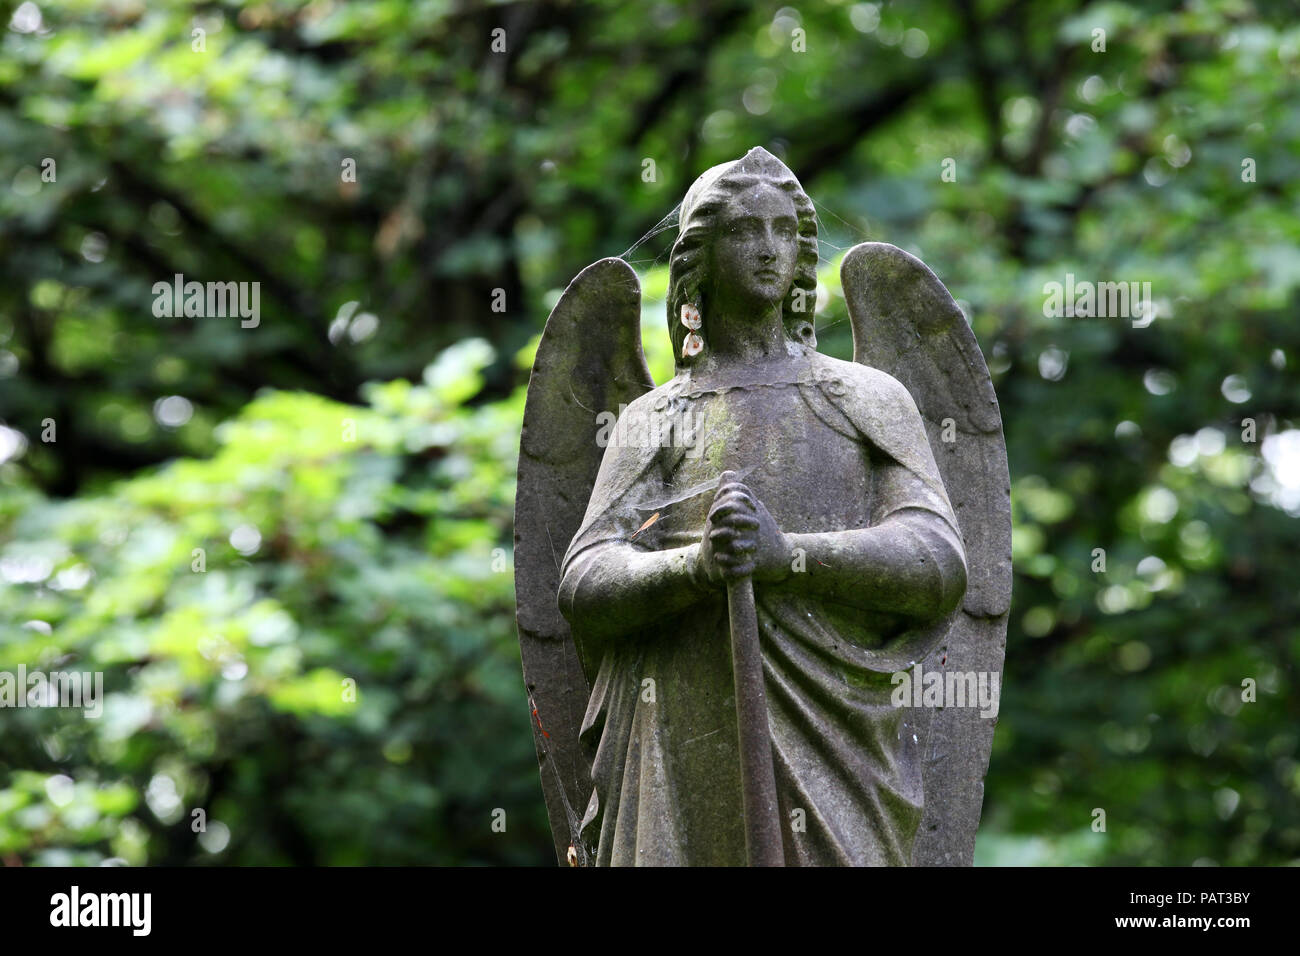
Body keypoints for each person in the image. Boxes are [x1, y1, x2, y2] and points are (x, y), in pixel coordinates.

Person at [558, 147, 967, 865]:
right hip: (680, 729)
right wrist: (695, 568)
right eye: (747, 231)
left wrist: (791, 558)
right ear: (700, 258)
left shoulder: (865, 399)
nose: (771, 249)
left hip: (838, 739)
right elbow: (585, 580)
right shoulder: (658, 419)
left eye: (786, 230)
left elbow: (937, 562)